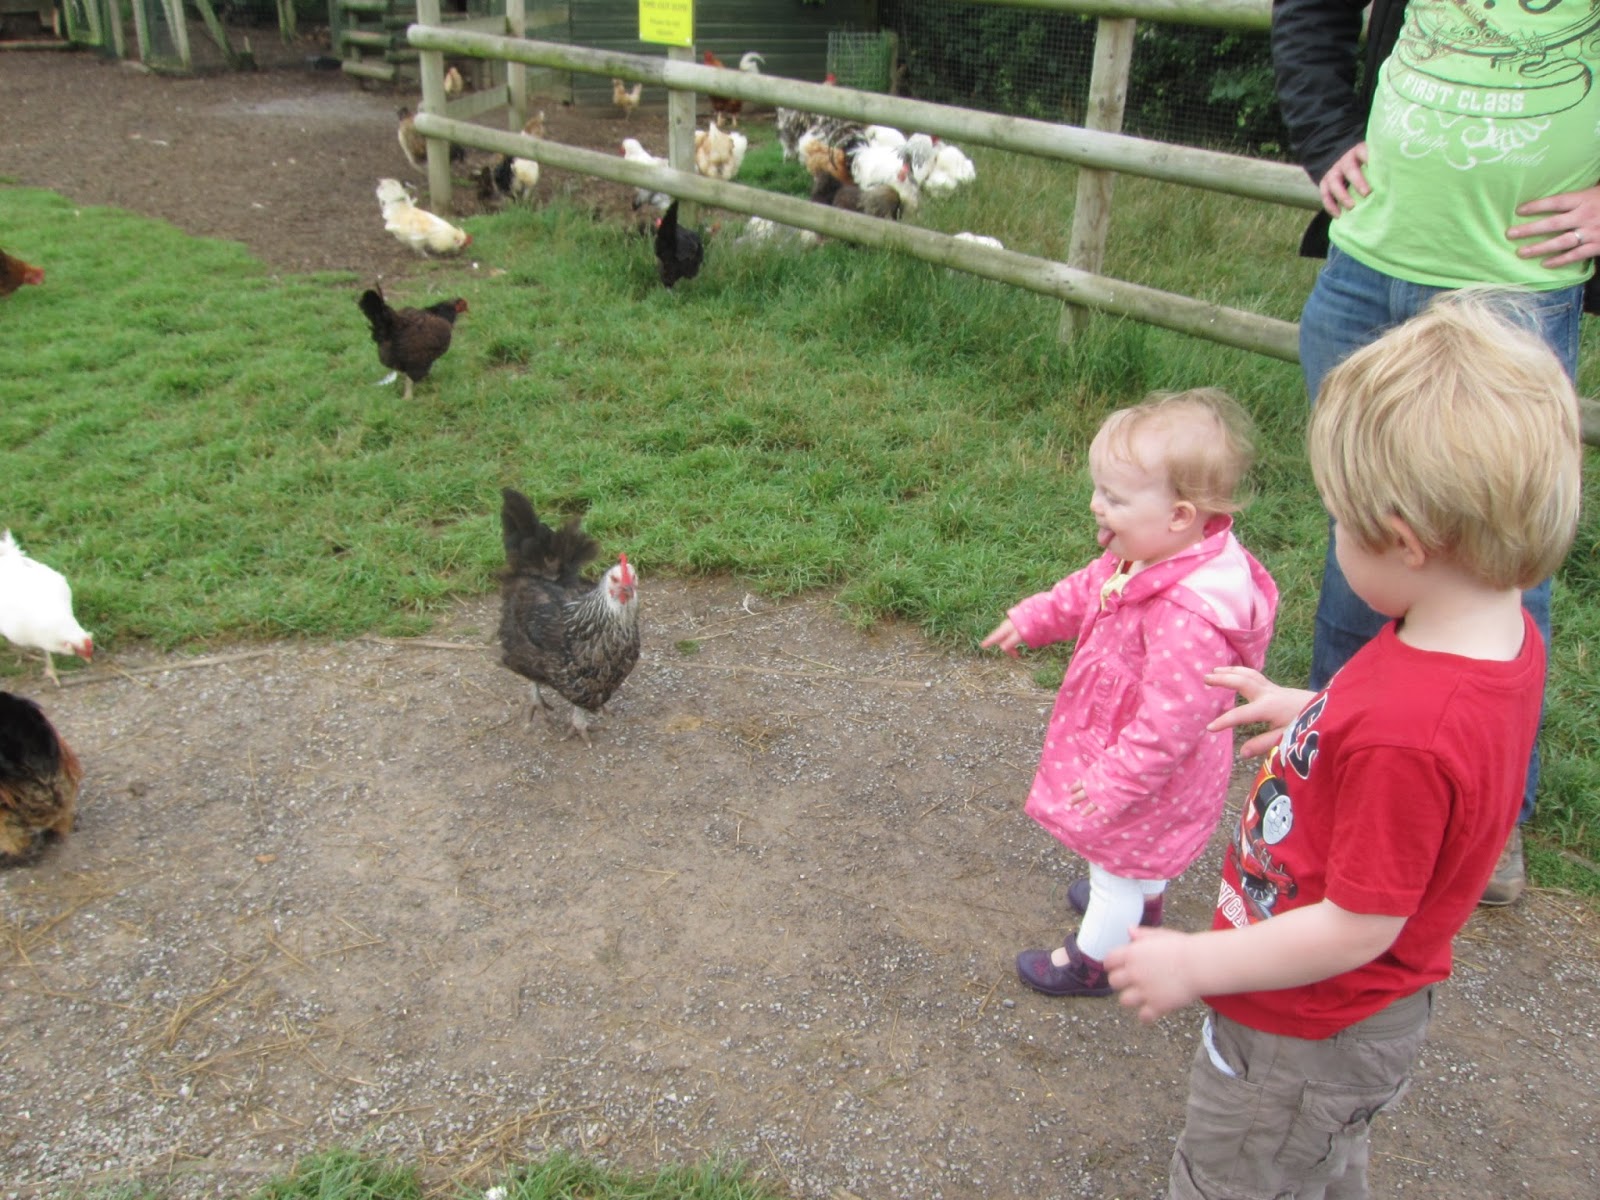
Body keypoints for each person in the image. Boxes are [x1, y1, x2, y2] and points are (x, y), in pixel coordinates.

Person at [1105, 292, 1583, 1200]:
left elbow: (1360, 922)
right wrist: (1313, 710)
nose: (1332, 533)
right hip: (1350, 1037)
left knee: (1240, 1175)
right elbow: (1428, 740)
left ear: (1401, 543)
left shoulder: (1411, 732)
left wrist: (1194, 962)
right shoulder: (1494, 634)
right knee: (1316, 1164)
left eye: (1337, 518)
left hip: (1302, 1029)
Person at [1272, 0, 1600, 904]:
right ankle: (1328, 775)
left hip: (1519, 281)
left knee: (1495, 550)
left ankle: (1482, 824)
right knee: (1366, 525)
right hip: (1371, 259)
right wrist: (1326, 133)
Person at [982, 390, 1278, 998]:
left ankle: (1094, 961)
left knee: (1114, 857)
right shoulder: (1152, 554)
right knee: (1131, 856)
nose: (1096, 504)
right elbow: (1091, 587)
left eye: (1114, 497)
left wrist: (1116, 781)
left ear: (1179, 515)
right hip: (1127, 749)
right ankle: (1140, 907)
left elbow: (1173, 723)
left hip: (1146, 769)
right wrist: (1038, 617)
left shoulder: (1187, 616)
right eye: (1100, 489)